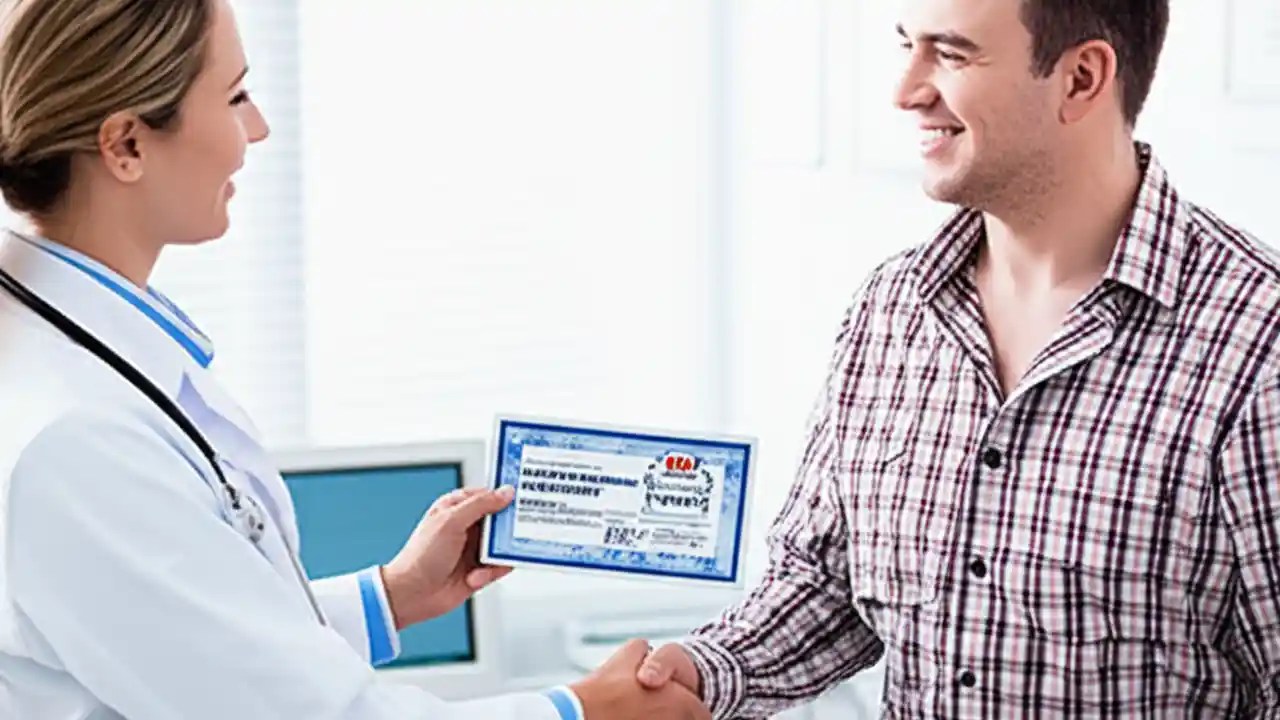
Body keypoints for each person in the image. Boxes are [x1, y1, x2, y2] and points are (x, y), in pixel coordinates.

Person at [0, 1, 709, 719]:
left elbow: (190, 650)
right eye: (235, 96)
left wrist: (391, 597)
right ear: (126, 146)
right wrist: (581, 711)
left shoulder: (72, 363)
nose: (258, 128)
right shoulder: (74, 440)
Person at [638, 0, 1280, 716]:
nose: (904, 90)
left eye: (950, 54)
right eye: (907, 45)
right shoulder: (890, 311)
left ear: (1081, 78)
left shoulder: (1259, 346)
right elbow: (825, 586)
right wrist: (700, 675)